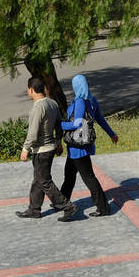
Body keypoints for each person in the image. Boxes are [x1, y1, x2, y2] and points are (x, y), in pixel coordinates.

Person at [59, 74, 119, 216]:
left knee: (89, 178)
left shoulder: (79, 101)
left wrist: (59, 124)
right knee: (69, 174)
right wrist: (111, 134)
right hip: (82, 145)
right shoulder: (92, 100)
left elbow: (77, 123)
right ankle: (61, 201)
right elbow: (100, 120)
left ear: (76, 86)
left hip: (77, 147)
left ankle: (103, 208)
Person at [17, 77, 76, 221]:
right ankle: (34, 210)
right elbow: (58, 124)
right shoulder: (52, 103)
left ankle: (67, 206)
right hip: (49, 148)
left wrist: (25, 149)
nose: (27, 91)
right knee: (38, 179)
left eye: (27, 89)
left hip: (42, 150)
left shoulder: (38, 107)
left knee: (44, 181)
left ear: (31, 89)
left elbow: (33, 131)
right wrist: (58, 142)